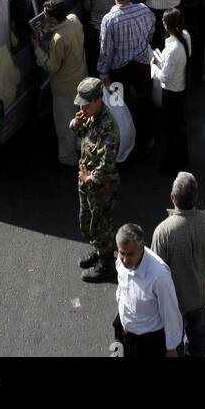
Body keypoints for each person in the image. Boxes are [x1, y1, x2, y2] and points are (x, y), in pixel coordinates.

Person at [150, 172, 205, 358]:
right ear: (196, 197)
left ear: (172, 198)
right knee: (198, 338)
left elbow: (155, 274)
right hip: (198, 298)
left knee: (173, 340)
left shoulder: (163, 232)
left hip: (173, 303)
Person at [71, 77, 121, 284]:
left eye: (86, 104)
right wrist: (77, 122)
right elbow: (79, 131)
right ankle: (99, 250)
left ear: (98, 100)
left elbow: (107, 165)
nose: (82, 108)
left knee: (101, 226)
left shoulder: (108, 128)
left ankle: (107, 265)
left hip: (101, 187)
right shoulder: (91, 116)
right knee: (88, 222)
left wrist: (88, 178)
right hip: (87, 183)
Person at [96, 0, 155, 154]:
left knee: (119, 107)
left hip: (118, 71)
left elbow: (105, 51)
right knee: (144, 102)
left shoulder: (109, 20)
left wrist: (103, 73)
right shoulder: (144, 10)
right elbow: (150, 33)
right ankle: (145, 140)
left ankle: (123, 143)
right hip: (142, 65)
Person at [32, 0, 87, 167]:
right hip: (81, 77)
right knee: (81, 117)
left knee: (66, 125)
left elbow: (52, 67)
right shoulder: (74, 20)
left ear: (53, 18)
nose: (43, 16)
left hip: (64, 88)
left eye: (46, 14)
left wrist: (37, 49)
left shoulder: (58, 39)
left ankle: (68, 158)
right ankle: (83, 147)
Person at [114, 223, 183, 358]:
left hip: (147, 343)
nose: (125, 260)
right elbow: (121, 285)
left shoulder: (159, 276)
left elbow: (170, 314)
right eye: (122, 253)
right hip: (124, 332)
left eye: (130, 254)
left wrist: (171, 348)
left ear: (141, 247)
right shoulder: (121, 260)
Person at [155, 8, 191, 176]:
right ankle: (182, 158)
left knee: (170, 130)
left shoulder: (172, 49)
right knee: (179, 126)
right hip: (181, 88)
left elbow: (164, 77)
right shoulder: (185, 36)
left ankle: (171, 164)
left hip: (171, 93)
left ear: (166, 25)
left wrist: (153, 67)